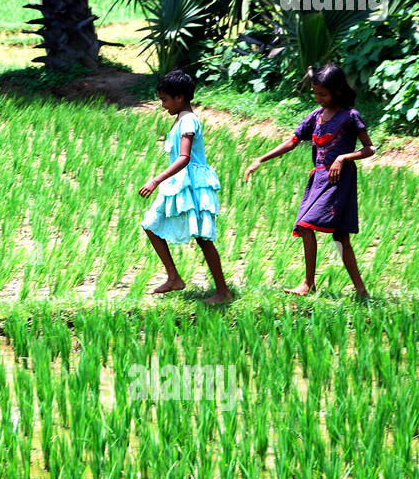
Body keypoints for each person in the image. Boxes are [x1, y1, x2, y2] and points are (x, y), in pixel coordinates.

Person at [243, 63, 375, 298]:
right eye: (315, 93)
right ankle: (357, 290)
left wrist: (343, 157)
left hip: (339, 179)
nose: (319, 98)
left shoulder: (350, 117)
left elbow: (369, 149)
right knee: (334, 234)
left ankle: (311, 283)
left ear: (337, 90)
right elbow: (292, 141)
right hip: (319, 177)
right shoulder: (315, 116)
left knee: (316, 228)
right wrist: (261, 159)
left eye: (323, 94)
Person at [139, 70, 233, 304]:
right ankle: (174, 277)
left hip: (193, 185)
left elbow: (184, 157)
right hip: (180, 184)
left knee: (203, 238)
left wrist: (155, 180)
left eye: (164, 100)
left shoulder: (189, 120)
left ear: (179, 98)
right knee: (151, 224)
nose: (163, 105)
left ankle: (223, 292)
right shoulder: (181, 118)